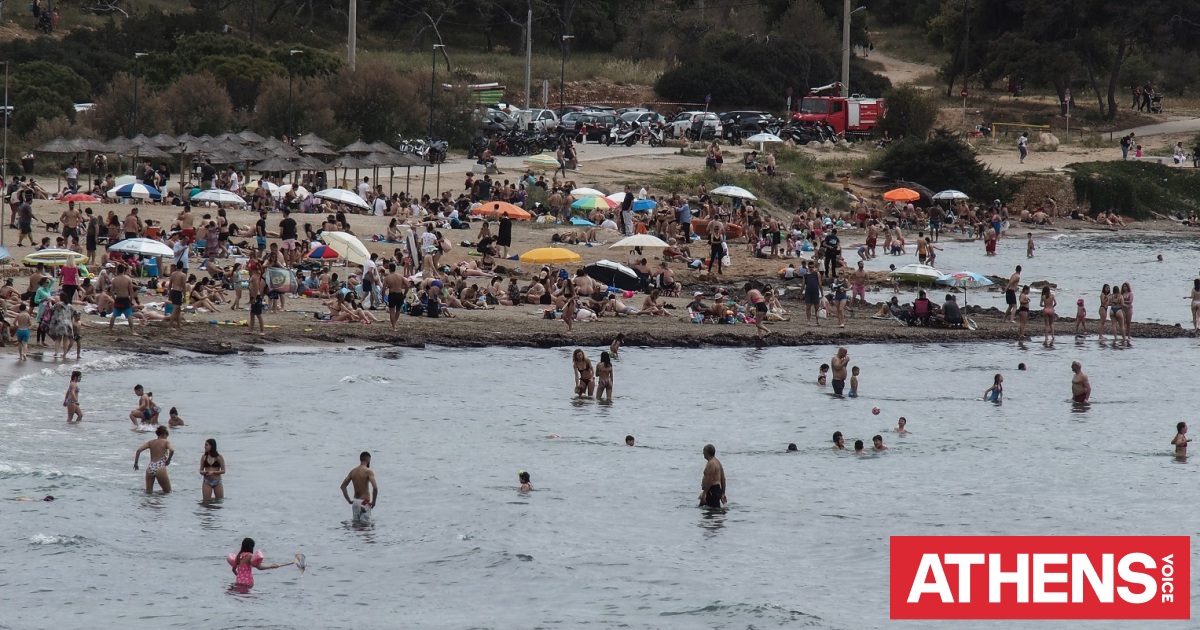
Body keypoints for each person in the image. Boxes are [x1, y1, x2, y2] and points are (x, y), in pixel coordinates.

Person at [229, 538, 295, 589]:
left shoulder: (238, 556)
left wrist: (239, 576)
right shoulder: (250, 555)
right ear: (250, 546)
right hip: (248, 581)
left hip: (239, 581)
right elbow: (259, 567)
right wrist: (270, 566)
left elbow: (233, 570)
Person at [133, 426, 174, 493]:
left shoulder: (151, 442)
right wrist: (169, 459)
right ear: (164, 434)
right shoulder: (166, 442)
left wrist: (136, 463)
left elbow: (138, 450)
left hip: (150, 466)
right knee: (168, 492)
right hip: (160, 466)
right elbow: (172, 450)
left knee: (148, 492)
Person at [340, 451, 378, 524]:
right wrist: (373, 502)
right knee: (365, 527)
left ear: (360, 459)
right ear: (368, 460)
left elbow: (343, 486)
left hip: (355, 502)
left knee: (355, 526)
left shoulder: (353, 471)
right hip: (364, 502)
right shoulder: (368, 471)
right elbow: (375, 488)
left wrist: (349, 500)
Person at [697, 444, 727, 508]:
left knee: (711, 510)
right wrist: (723, 493)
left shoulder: (711, 463)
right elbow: (723, 479)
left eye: (704, 451)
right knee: (706, 509)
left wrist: (704, 493)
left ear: (707, 452)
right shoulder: (718, 462)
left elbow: (709, 479)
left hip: (712, 490)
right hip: (714, 490)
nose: (703, 453)